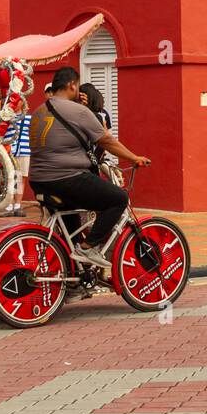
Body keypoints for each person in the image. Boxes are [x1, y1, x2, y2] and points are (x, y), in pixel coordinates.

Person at [28, 65, 150, 269]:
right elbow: (106, 141)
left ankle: (75, 280)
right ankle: (89, 247)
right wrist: (133, 157)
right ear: (71, 85)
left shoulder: (39, 111)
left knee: (72, 230)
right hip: (67, 178)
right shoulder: (78, 110)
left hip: (39, 181)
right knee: (118, 198)